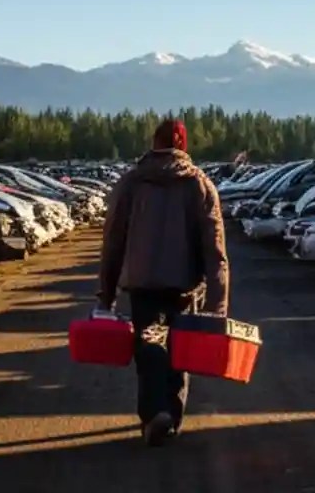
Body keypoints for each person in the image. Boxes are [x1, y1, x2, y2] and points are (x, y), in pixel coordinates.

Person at [95, 119, 229, 447]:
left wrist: (107, 294)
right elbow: (214, 248)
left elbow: (113, 240)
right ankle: (171, 414)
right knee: (179, 350)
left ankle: (154, 413)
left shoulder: (131, 182)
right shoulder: (199, 184)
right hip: (183, 287)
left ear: (153, 143)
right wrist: (217, 302)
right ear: (183, 145)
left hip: (143, 285)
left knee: (151, 346)